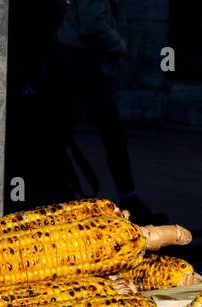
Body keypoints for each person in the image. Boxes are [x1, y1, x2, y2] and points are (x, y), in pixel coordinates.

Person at [53, 0, 164, 223]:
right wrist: (120, 45)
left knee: (67, 130)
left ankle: (60, 191)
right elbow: (92, 25)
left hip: (73, 58)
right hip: (81, 60)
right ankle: (128, 197)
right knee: (111, 132)